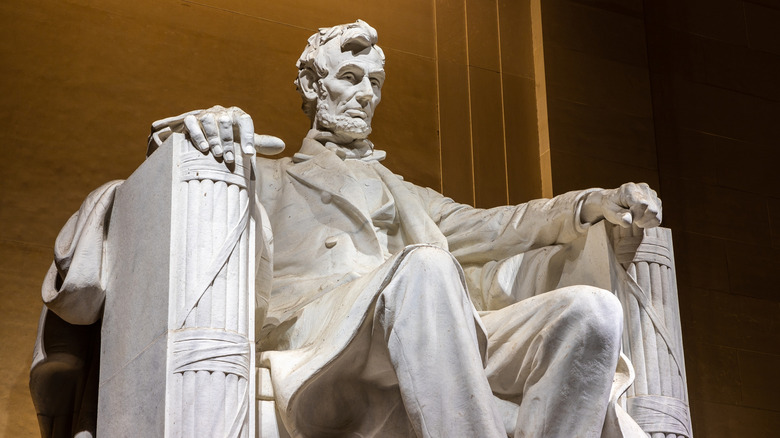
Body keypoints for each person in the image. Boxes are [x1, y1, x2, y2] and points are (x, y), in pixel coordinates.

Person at [35, 20, 659, 437]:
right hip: (323, 335)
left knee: (592, 313)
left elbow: (498, 225)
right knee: (425, 267)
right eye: (350, 78)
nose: (365, 96)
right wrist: (197, 128)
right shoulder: (268, 175)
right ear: (312, 84)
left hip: (429, 330)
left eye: (375, 84)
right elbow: (163, 180)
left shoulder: (405, 193)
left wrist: (591, 204)